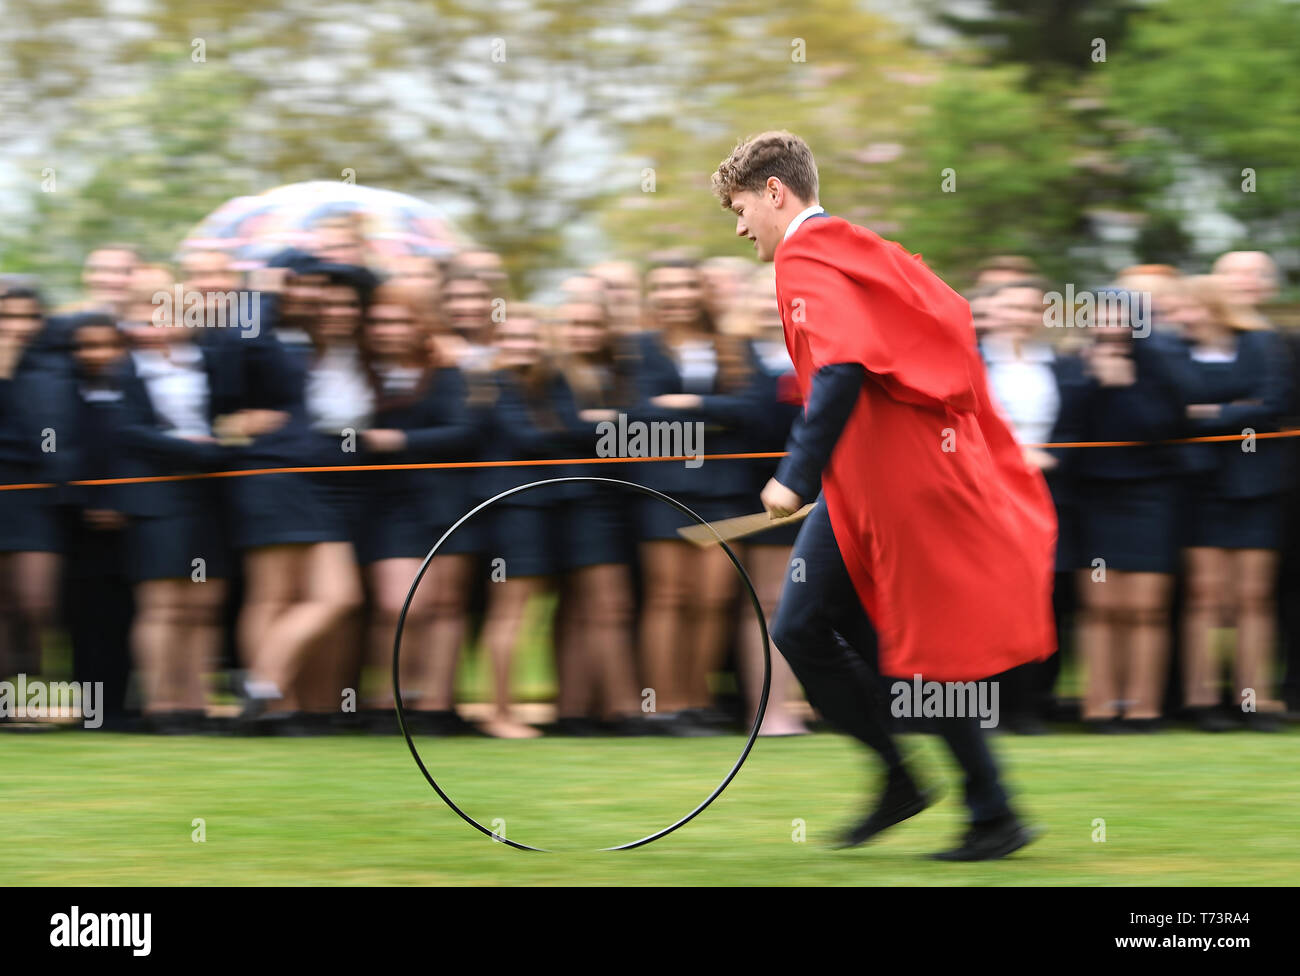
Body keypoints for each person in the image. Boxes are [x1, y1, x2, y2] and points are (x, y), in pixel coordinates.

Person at [711, 130, 1054, 859]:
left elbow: (840, 369)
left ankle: (987, 811)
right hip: (873, 479)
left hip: (896, 484)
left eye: (741, 209)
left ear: (776, 193)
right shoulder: (853, 243)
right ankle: (920, 785)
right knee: (808, 629)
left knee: (913, 645)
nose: (740, 228)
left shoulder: (805, 255)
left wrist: (795, 475)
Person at [1173, 275, 1292, 731]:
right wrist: (1238, 407)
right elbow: (1174, 409)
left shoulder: (1263, 344)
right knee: (1206, 596)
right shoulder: (1173, 351)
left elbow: (1274, 402)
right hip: (1199, 484)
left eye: (1191, 307)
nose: (1183, 316)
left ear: (1213, 307)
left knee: (1253, 597)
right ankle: (1202, 701)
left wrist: (1211, 414)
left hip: (1255, 485)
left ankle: (1254, 701)